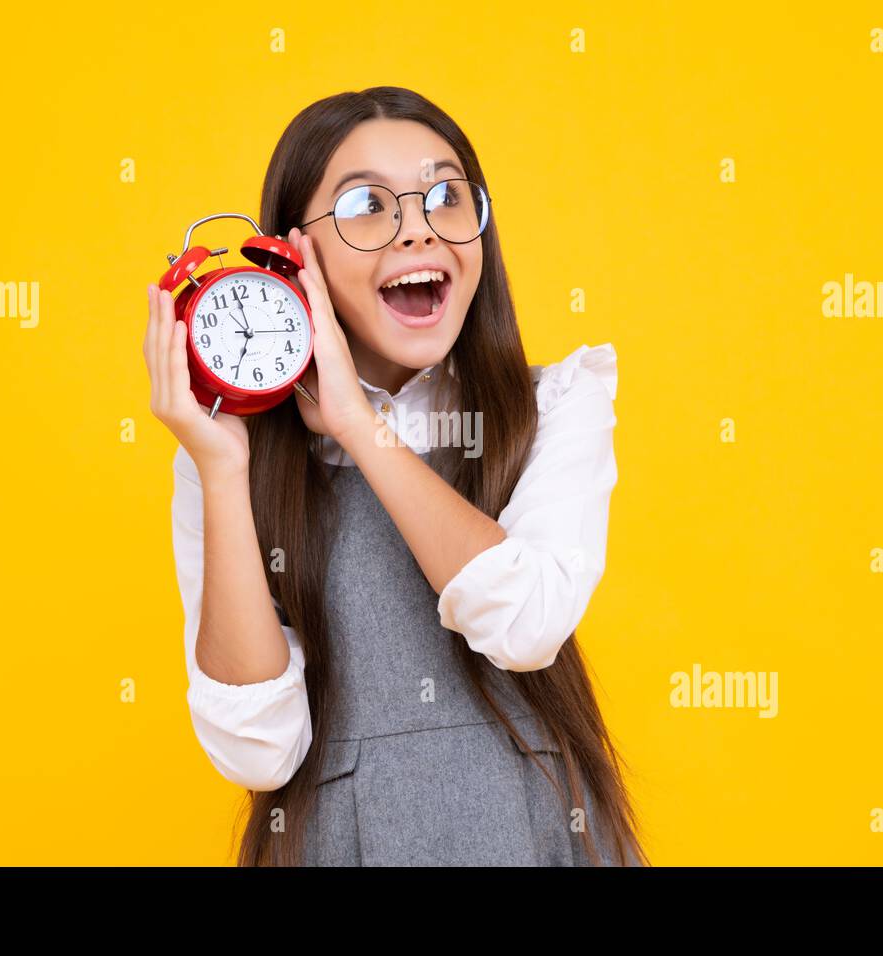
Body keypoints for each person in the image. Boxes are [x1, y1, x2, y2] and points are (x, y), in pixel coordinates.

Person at [143, 85, 647, 866]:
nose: (418, 230)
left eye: (446, 197)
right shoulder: (230, 458)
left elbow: (527, 623)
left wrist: (358, 425)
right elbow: (258, 753)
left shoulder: (555, 406)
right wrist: (221, 468)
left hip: (534, 836)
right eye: (367, 207)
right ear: (294, 255)